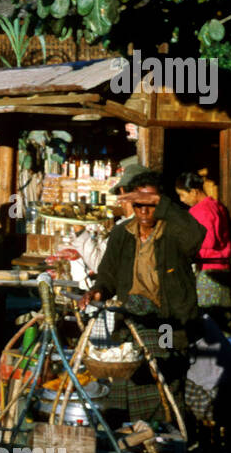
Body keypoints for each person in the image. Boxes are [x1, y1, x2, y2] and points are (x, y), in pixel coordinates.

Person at [79, 171, 206, 424]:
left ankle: (167, 434)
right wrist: (98, 291)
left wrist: (162, 204)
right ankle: (130, 435)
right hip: (133, 321)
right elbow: (108, 275)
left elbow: (197, 236)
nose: (144, 210)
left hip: (169, 321)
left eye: (151, 203)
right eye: (138, 204)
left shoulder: (174, 233)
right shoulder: (121, 234)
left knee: (166, 374)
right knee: (131, 375)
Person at [176, 171, 231, 325]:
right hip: (223, 268)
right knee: (222, 319)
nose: (182, 200)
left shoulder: (200, 211)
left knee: (210, 321)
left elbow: (207, 241)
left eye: (183, 195)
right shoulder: (217, 206)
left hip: (210, 272)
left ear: (194, 192)